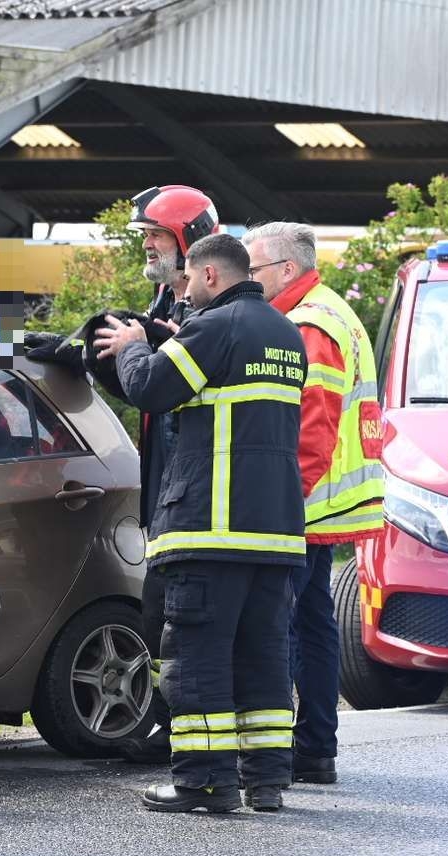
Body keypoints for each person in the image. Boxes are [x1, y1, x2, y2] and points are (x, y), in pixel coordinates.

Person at [94, 234, 307, 813]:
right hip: (276, 533)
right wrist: (171, 342)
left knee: (197, 659)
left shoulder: (213, 327)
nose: (182, 291)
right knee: (263, 657)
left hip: (211, 529)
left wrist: (135, 345)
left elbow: (150, 389)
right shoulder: (285, 334)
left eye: (187, 279)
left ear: (210, 276)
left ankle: (203, 782)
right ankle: (266, 780)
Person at [25, 185, 221, 764]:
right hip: (165, 482)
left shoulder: (208, 312)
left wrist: (142, 343)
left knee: (188, 619)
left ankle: (195, 745)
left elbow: (166, 373)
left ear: (190, 241)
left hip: (200, 490)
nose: (149, 247)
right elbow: (137, 380)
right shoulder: (166, 303)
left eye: (157, 237)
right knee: (160, 612)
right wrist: (77, 352)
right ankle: (166, 724)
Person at [243, 222, 386, 785]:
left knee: (277, 627)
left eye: (253, 270)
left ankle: (281, 753)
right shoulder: (330, 310)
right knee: (312, 623)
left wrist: (285, 501)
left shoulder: (308, 323)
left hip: (308, 504)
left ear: (284, 269)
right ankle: (314, 748)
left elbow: (312, 428)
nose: (248, 281)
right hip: (332, 502)